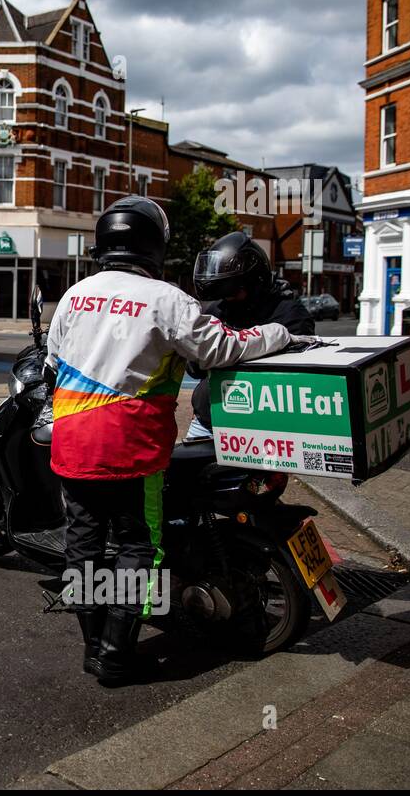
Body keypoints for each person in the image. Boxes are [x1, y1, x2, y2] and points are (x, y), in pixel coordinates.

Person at [42, 196, 318, 686]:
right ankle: (114, 652)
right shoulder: (167, 299)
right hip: (131, 450)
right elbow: (220, 348)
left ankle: (91, 648)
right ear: (154, 245)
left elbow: (53, 362)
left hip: (71, 444)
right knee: (137, 547)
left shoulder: (74, 295)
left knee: (82, 547)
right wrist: (278, 334)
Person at [184, 231, 314, 440]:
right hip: (208, 420)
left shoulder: (288, 314)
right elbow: (195, 366)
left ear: (254, 283)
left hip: (262, 429)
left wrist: (228, 350)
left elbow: (287, 377)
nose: (228, 299)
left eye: (234, 292)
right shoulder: (219, 310)